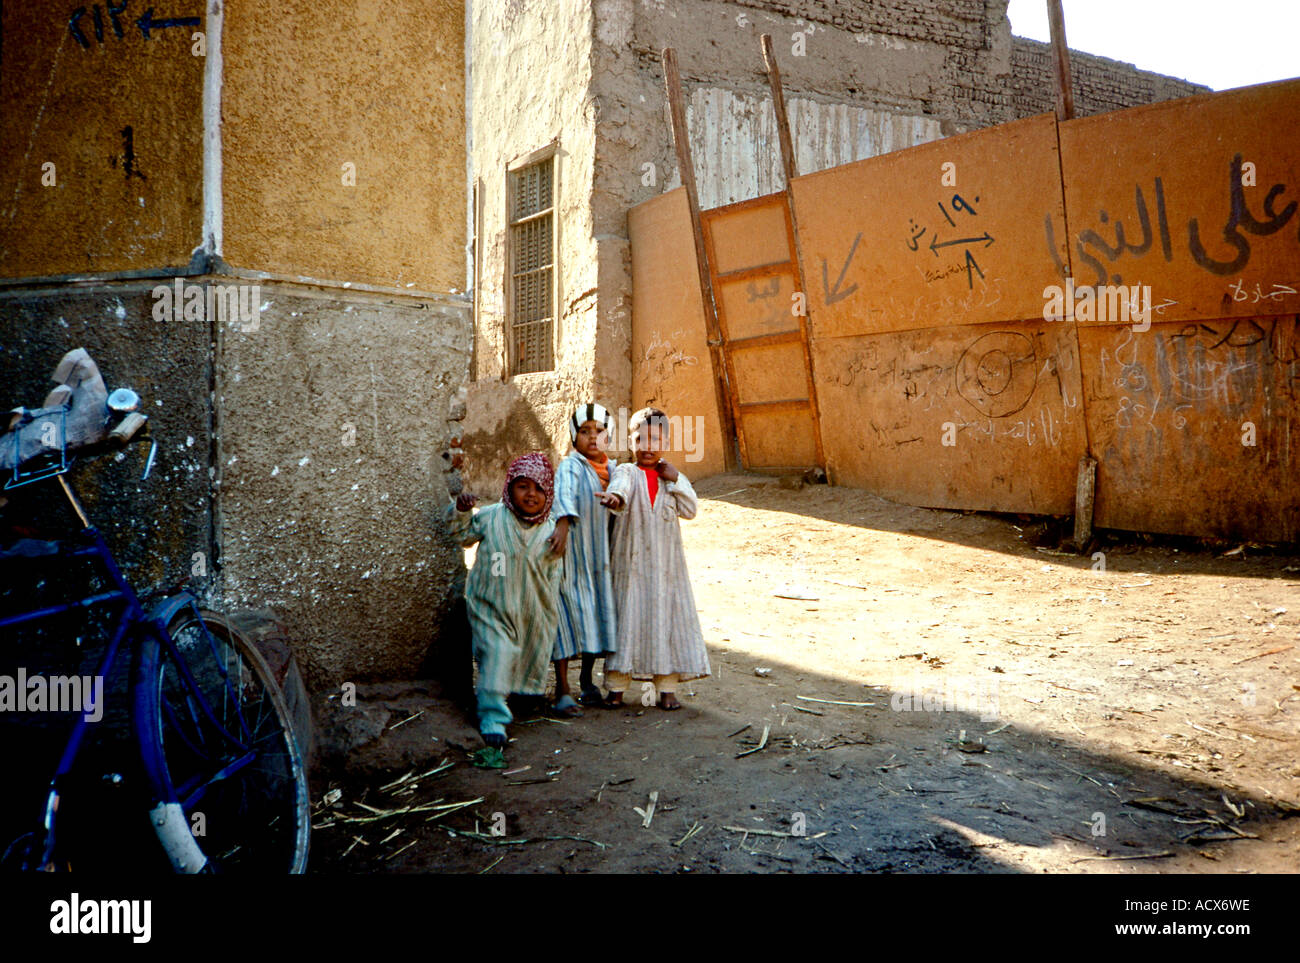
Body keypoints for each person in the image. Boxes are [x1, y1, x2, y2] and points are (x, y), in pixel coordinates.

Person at [446, 453, 561, 750]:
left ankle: (519, 696)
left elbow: (553, 575)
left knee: (525, 652)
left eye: (539, 488)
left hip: (530, 608)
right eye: (523, 486)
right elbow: (462, 536)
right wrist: (461, 511)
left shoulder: (550, 531)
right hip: (491, 606)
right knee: (498, 652)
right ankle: (493, 717)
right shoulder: (492, 516)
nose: (531, 494)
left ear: (548, 493)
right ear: (509, 487)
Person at [597, 407, 710, 710]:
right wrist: (614, 498)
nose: (648, 445)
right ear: (630, 442)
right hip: (630, 566)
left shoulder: (670, 478)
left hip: (665, 569)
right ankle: (617, 687)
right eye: (640, 438)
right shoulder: (625, 472)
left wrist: (677, 480)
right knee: (626, 620)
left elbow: (690, 510)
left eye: (655, 439)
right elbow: (619, 492)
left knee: (665, 621)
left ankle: (667, 688)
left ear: (666, 442)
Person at [548, 403, 619, 717]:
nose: (593, 438)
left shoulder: (615, 470)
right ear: (573, 436)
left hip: (601, 559)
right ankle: (562, 689)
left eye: (600, 431)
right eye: (585, 431)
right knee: (566, 615)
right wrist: (562, 524)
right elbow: (562, 494)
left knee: (597, 615)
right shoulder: (571, 466)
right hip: (573, 556)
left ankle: (587, 681)